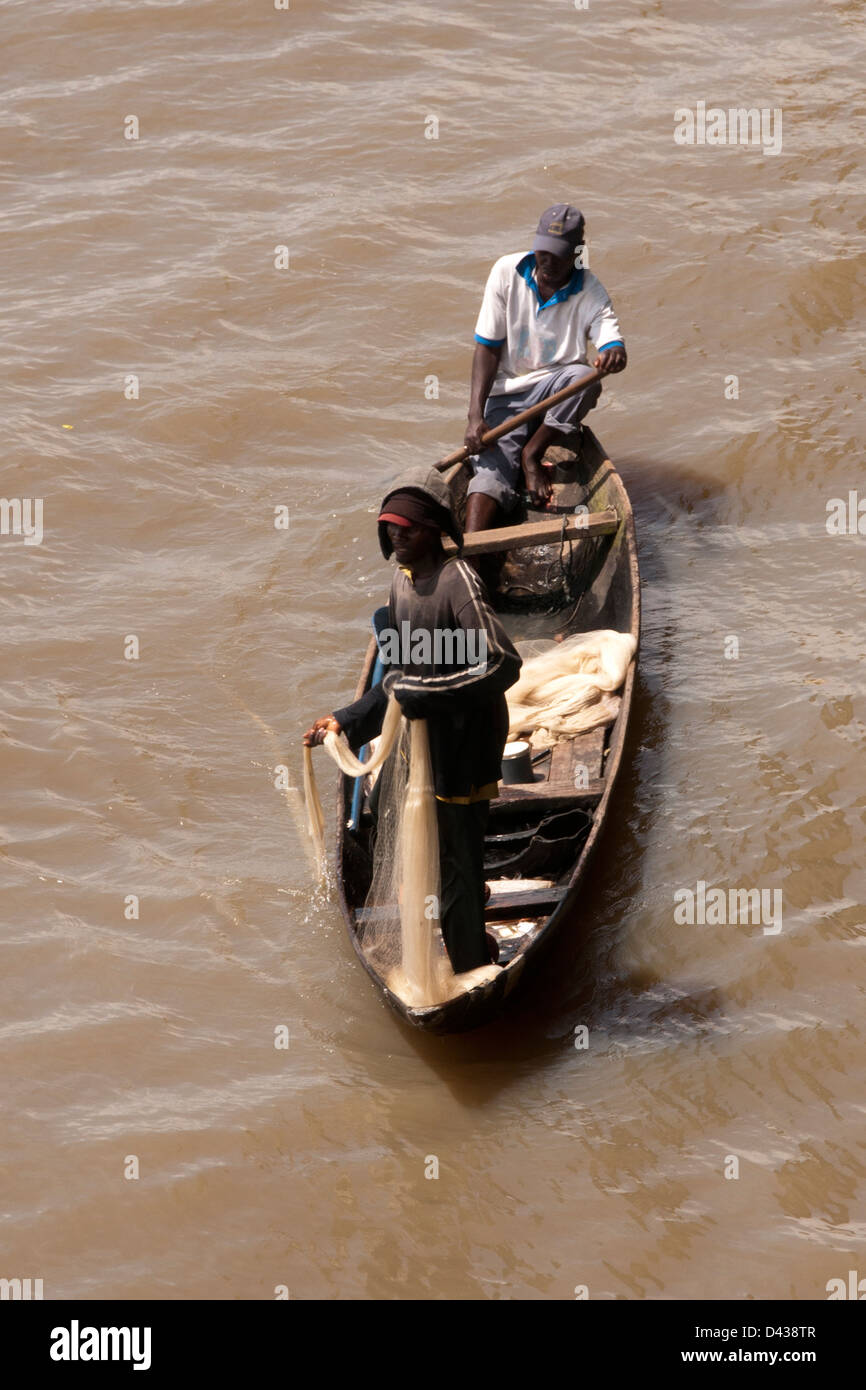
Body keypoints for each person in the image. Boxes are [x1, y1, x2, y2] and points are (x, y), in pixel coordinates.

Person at [303, 466, 521, 974]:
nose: (397, 536)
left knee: (454, 867)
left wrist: (424, 693)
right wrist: (345, 720)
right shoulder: (403, 583)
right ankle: (451, 899)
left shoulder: (456, 582)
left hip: (462, 745)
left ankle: (469, 964)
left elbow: (503, 665)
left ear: (435, 530)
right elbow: (397, 679)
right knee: (379, 821)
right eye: (391, 528)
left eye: (409, 529)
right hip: (417, 734)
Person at [463, 203, 627, 528]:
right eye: (543, 252)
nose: (548, 262)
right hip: (507, 398)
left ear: (578, 253)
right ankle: (470, 556)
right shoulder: (506, 272)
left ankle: (532, 453)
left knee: (586, 378)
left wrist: (615, 352)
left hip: (556, 396)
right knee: (488, 478)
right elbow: (487, 348)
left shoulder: (590, 291)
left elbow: (610, 337)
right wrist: (475, 417)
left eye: (559, 255)